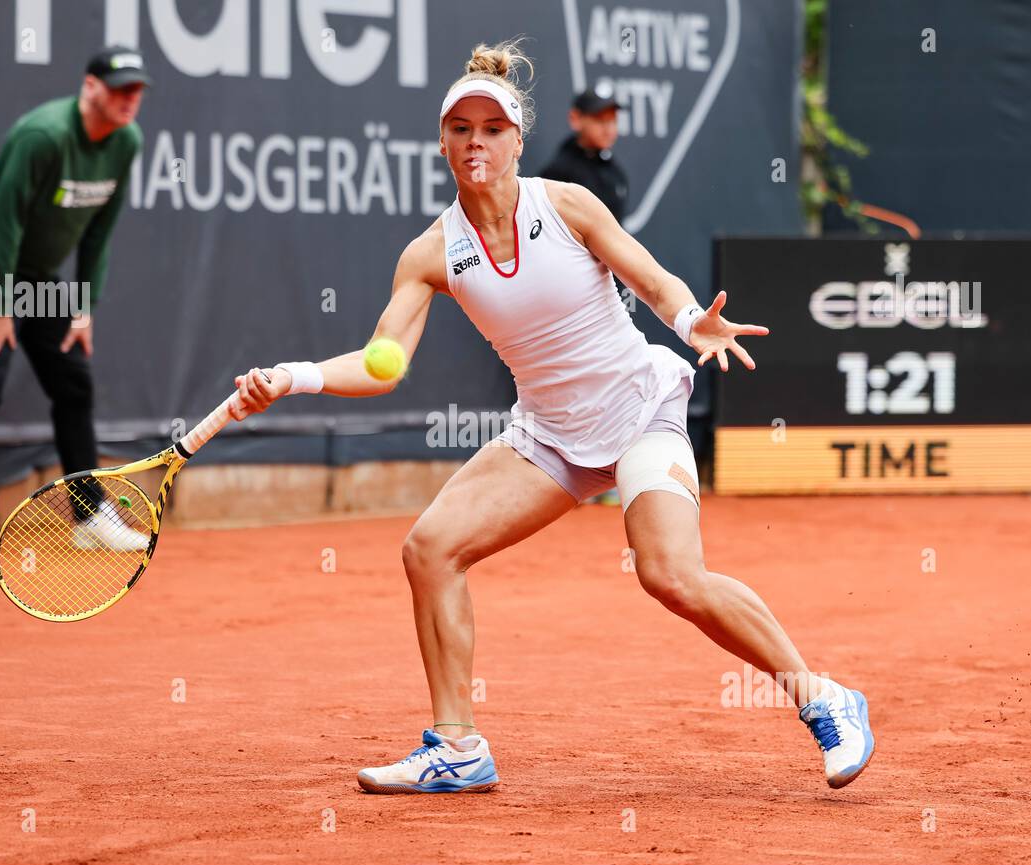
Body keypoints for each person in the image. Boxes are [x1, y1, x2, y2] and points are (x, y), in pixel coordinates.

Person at [230, 41, 875, 792]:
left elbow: (651, 276)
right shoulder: (432, 252)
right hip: (549, 435)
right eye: (461, 129)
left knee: (669, 574)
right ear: (443, 140)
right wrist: (293, 377)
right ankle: (457, 744)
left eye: (492, 129)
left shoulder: (566, 204)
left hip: (638, 413)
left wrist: (694, 318)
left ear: (517, 141)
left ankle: (824, 697)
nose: (476, 142)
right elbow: (385, 361)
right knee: (430, 549)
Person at [0, 47, 151, 561]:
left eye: (137, 89)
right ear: (90, 87)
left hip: (40, 276)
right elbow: (2, 223)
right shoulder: (44, 136)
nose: (130, 99)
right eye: (119, 87)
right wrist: (0, 305)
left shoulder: (127, 142)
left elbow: (99, 231)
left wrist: (83, 308)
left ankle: (88, 514)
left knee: (73, 383)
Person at [538, 84, 628, 222]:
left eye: (613, 120)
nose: (608, 129)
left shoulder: (616, 172)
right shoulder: (557, 173)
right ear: (575, 119)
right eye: (599, 120)